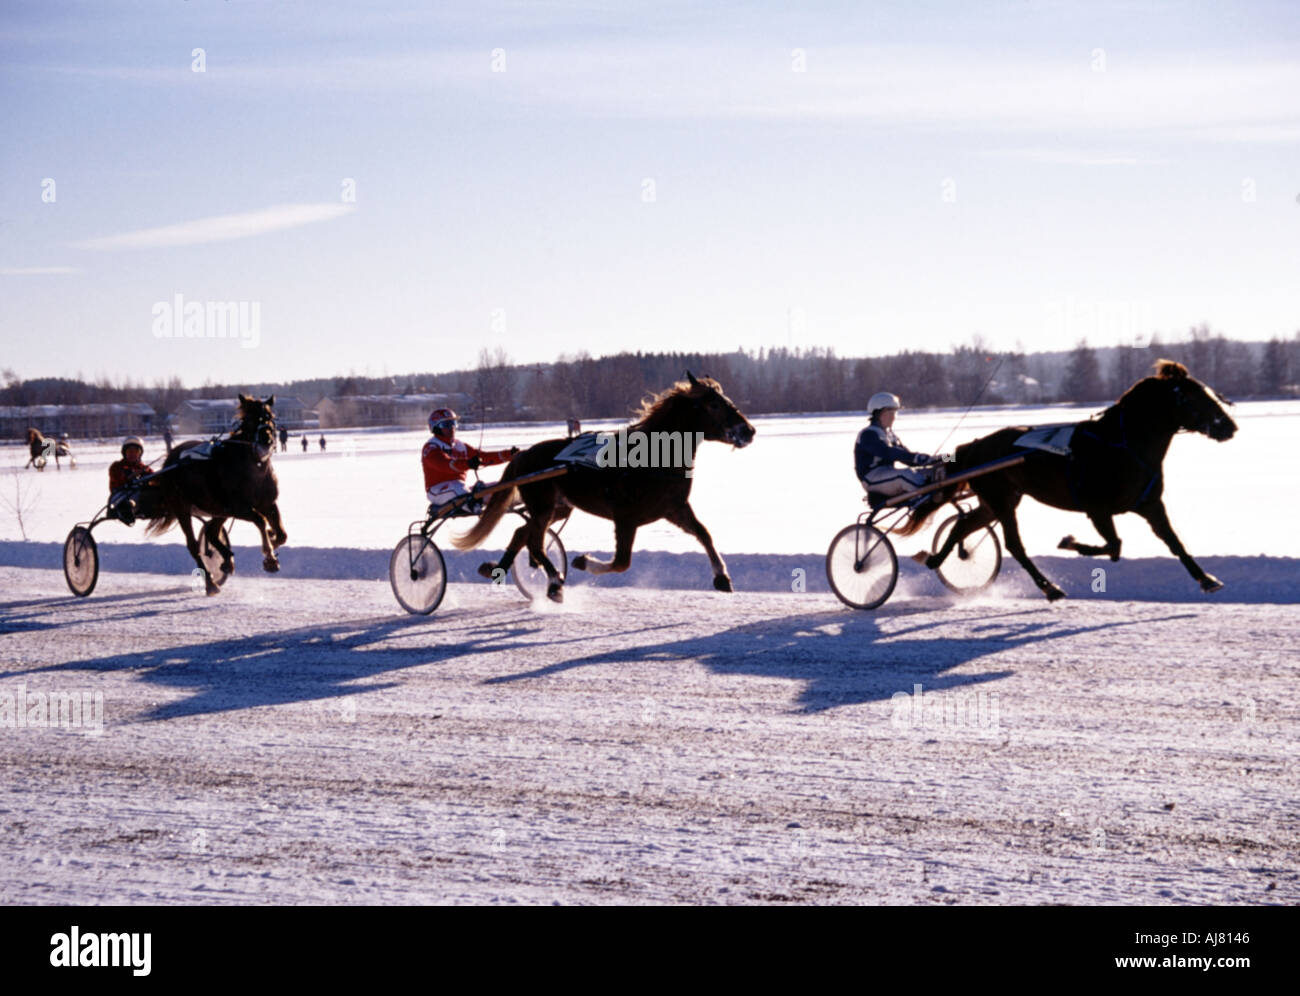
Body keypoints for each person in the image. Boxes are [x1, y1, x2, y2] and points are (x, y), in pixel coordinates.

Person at [421, 408, 519, 515]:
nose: (452, 428)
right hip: (438, 491)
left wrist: (509, 455)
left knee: (500, 487)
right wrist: (468, 464)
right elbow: (446, 465)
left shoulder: (460, 446)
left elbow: (484, 457)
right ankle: (474, 506)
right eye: (446, 425)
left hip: (461, 489)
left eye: (454, 423)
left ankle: (517, 499)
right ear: (436, 428)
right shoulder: (431, 448)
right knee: (457, 488)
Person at [855, 392, 946, 500]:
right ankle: (929, 499)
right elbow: (887, 452)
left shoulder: (889, 434)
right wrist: (917, 457)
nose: (894, 417)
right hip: (872, 479)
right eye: (892, 412)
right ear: (881, 412)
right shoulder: (868, 434)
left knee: (932, 472)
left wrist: (940, 459)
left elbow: (908, 458)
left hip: (887, 474)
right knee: (905, 475)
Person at [107, 437, 156, 525]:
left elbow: (155, 479)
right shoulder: (116, 466)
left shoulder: (144, 468)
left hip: (139, 496)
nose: (132, 454)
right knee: (135, 496)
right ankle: (127, 508)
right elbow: (117, 479)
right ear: (124, 453)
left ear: (139, 454)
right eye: (130, 452)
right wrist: (130, 477)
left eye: (135, 452)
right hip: (119, 496)